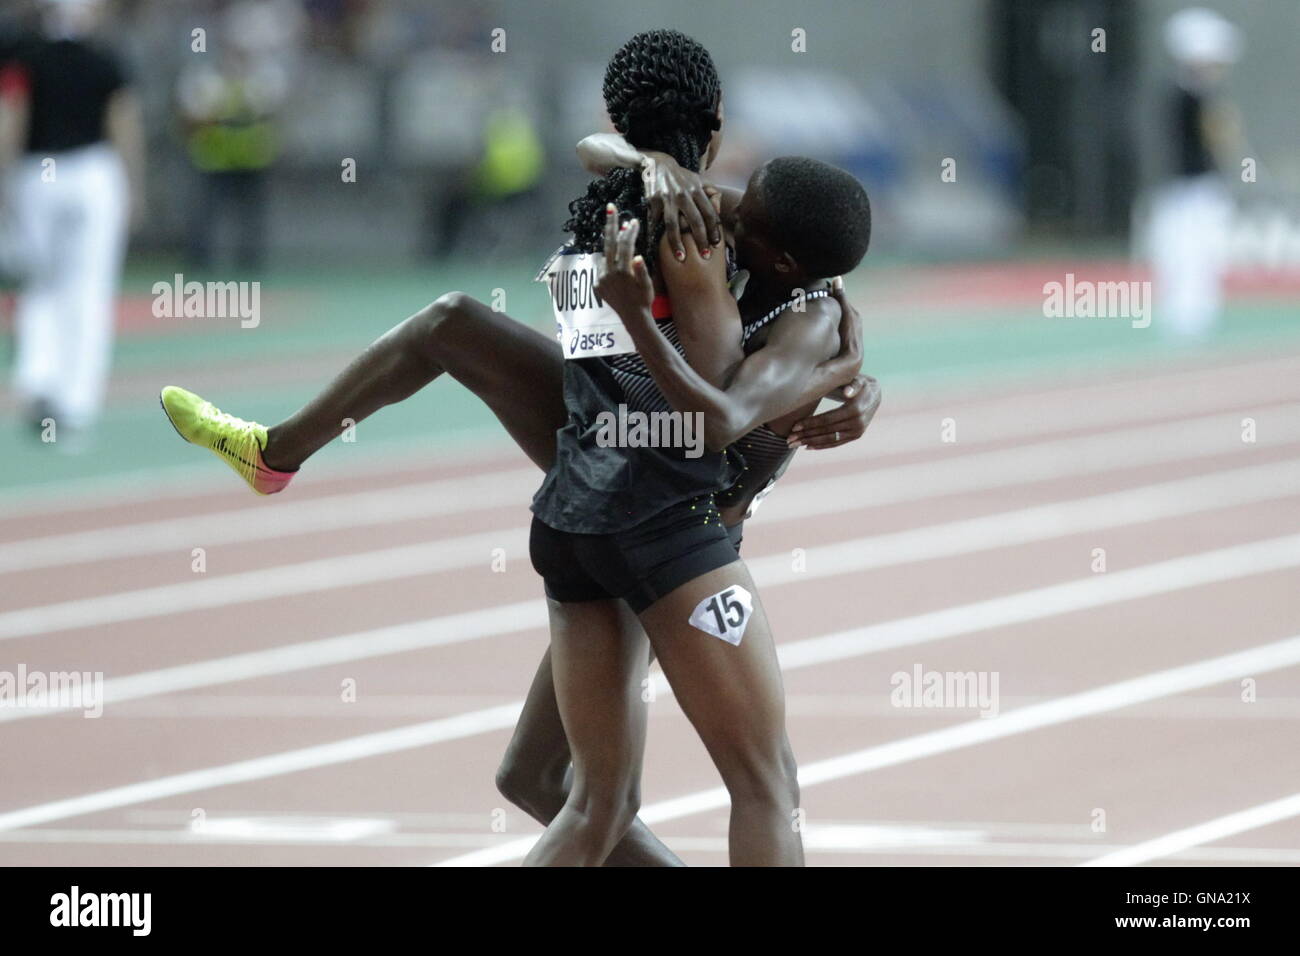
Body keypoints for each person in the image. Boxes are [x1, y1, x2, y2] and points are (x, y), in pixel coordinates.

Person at [160, 29, 878, 865]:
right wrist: (836, 365)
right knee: (764, 784)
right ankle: (274, 453)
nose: (724, 205)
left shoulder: (689, 230)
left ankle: (277, 452)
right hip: (675, 516)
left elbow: (602, 159)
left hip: (585, 494)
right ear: (714, 125)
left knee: (552, 784)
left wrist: (840, 370)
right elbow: (715, 414)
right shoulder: (701, 238)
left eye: (740, 208)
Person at [0, 0, 143, 444]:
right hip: (93, 176)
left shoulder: (25, 54)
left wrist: (4, 178)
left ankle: (39, 378)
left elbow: (12, 117)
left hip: (37, 176)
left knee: (40, 283)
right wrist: (135, 185)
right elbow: (124, 122)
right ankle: (76, 401)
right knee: (88, 288)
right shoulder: (108, 57)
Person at [1148, 7, 1243, 339]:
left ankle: (1196, 318)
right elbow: (1214, 137)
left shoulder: (1201, 96)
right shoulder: (1185, 95)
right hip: (1187, 189)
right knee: (1182, 252)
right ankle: (1183, 319)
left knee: (1203, 254)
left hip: (1200, 187)